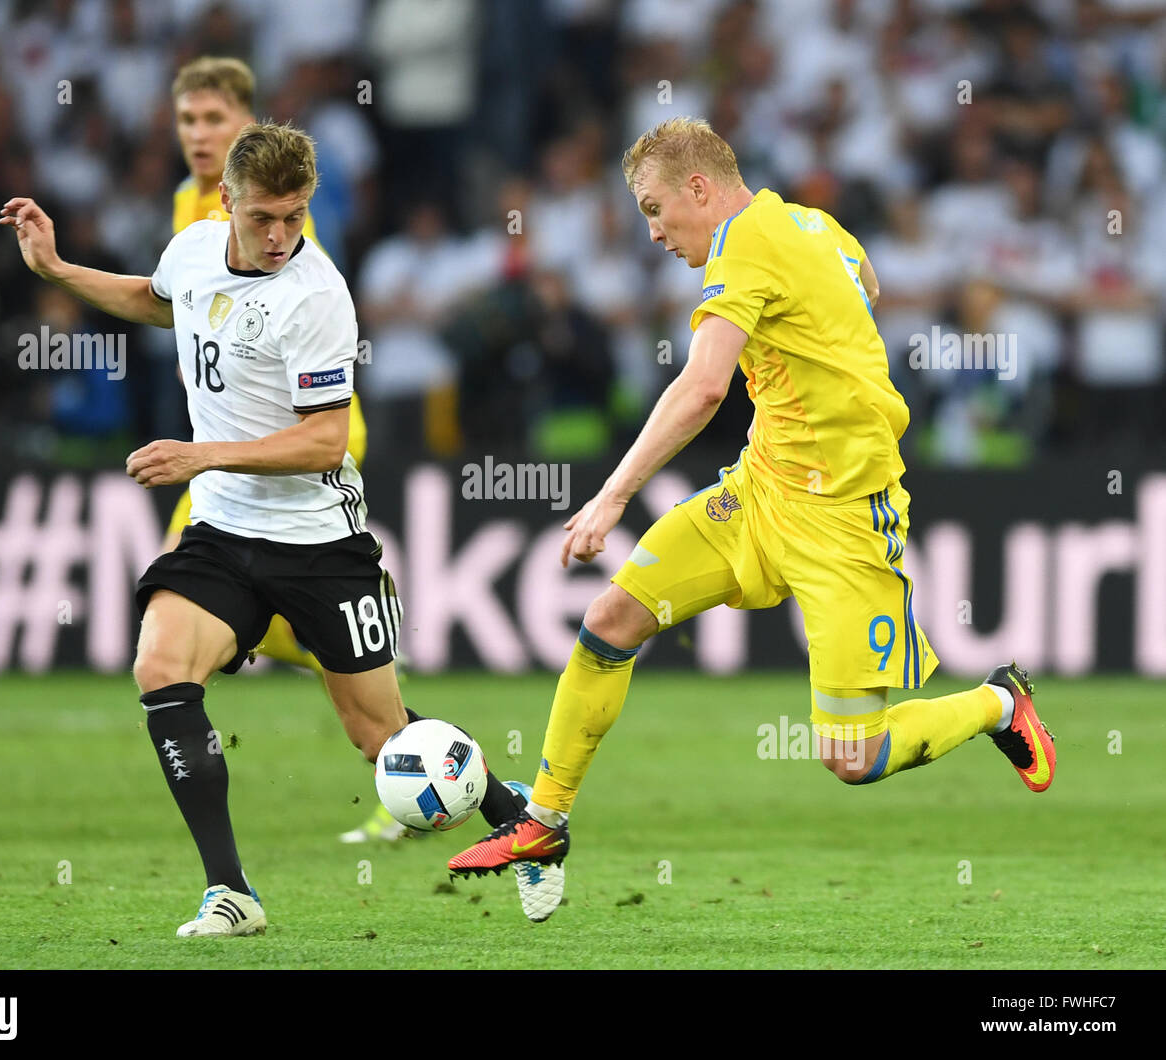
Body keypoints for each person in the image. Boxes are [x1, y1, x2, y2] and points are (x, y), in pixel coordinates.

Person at [447, 117, 1056, 920]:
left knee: (853, 757)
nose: (655, 232)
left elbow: (702, 388)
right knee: (613, 618)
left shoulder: (747, 246)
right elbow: (864, 283)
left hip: (844, 518)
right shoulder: (811, 221)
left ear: (699, 188)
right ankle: (544, 822)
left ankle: (997, 704)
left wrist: (614, 493)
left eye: (655, 209)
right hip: (760, 493)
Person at [0, 121, 548, 935]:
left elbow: (325, 439)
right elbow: (159, 303)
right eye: (263, 218)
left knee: (381, 735)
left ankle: (526, 831)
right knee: (160, 664)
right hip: (224, 530)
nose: (280, 236)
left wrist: (201, 455)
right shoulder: (191, 249)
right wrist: (55, 268)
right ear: (226, 201)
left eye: (294, 217)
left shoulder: (318, 295)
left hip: (321, 538)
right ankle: (232, 892)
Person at [165, 56, 397, 844]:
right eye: (189, 121)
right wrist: (59, 269)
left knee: (268, 630)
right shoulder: (190, 214)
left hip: (299, 446)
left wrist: (207, 454)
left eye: (215, 122)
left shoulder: (287, 237)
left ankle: (399, 734)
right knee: (196, 643)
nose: (200, 136)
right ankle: (403, 748)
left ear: (245, 131)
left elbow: (316, 411)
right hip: (230, 454)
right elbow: (186, 305)